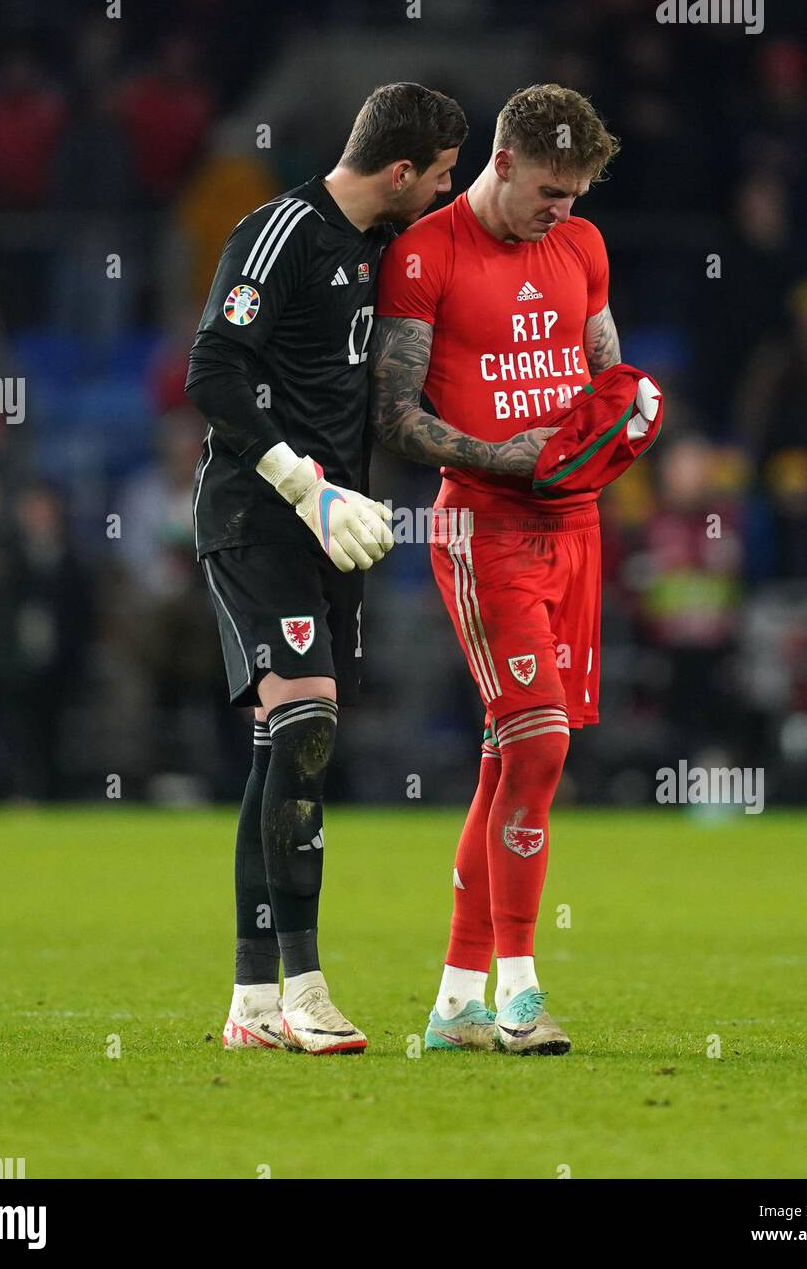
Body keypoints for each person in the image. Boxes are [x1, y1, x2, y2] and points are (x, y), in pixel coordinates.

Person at [185, 83, 467, 1054]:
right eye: (437, 178)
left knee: (283, 750)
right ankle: (305, 987)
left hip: (335, 532)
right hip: (257, 516)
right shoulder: (278, 230)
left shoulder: (378, 251)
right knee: (306, 724)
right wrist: (304, 486)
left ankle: (250, 1003)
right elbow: (211, 368)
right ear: (399, 171)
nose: (442, 195)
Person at [372, 83, 620, 1055]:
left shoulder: (584, 248)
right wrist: (500, 455)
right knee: (542, 746)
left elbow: (604, 369)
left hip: (578, 529)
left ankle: (453, 1003)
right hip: (484, 529)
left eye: (579, 194)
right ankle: (521, 991)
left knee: (514, 757)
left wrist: (629, 415)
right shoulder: (424, 253)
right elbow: (395, 416)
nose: (565, 211)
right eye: (553, 190)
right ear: (504, 162)